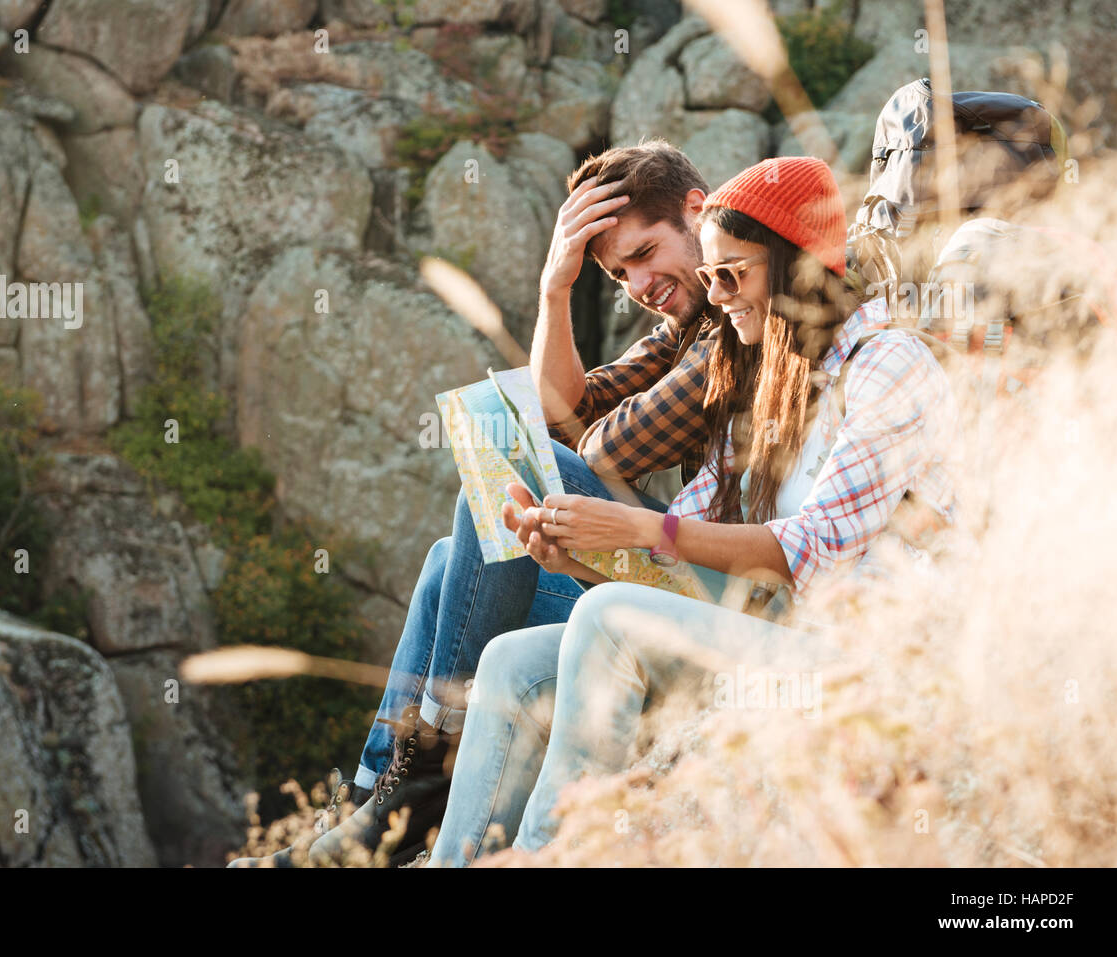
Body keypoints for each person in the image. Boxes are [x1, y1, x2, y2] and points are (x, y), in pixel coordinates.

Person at [426, 156, 961, 866]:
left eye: (733, 274)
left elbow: (818, 547)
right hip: (762, 632)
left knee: (610, 619)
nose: (719, 295)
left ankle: (543, 855)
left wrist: (642, 527)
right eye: (711, 278)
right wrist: (571, 550)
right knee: (510, 659)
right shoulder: (763, 380)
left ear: (800, 262)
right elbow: (677, 540)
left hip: (856, 662)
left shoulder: (888, 365)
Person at [232, 140, 732, 867]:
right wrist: (554, 289)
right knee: (448, 558)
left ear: (697, 211)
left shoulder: (734, 329)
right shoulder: (681, 332)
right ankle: (374, 798)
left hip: (708, 595)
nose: (640, 283)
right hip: (668, 574)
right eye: (621, 274)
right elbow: (562, 409)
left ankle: (418, 769)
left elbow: (590, 452)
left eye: (646, 254)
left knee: (508, 469)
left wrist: (542, 452)